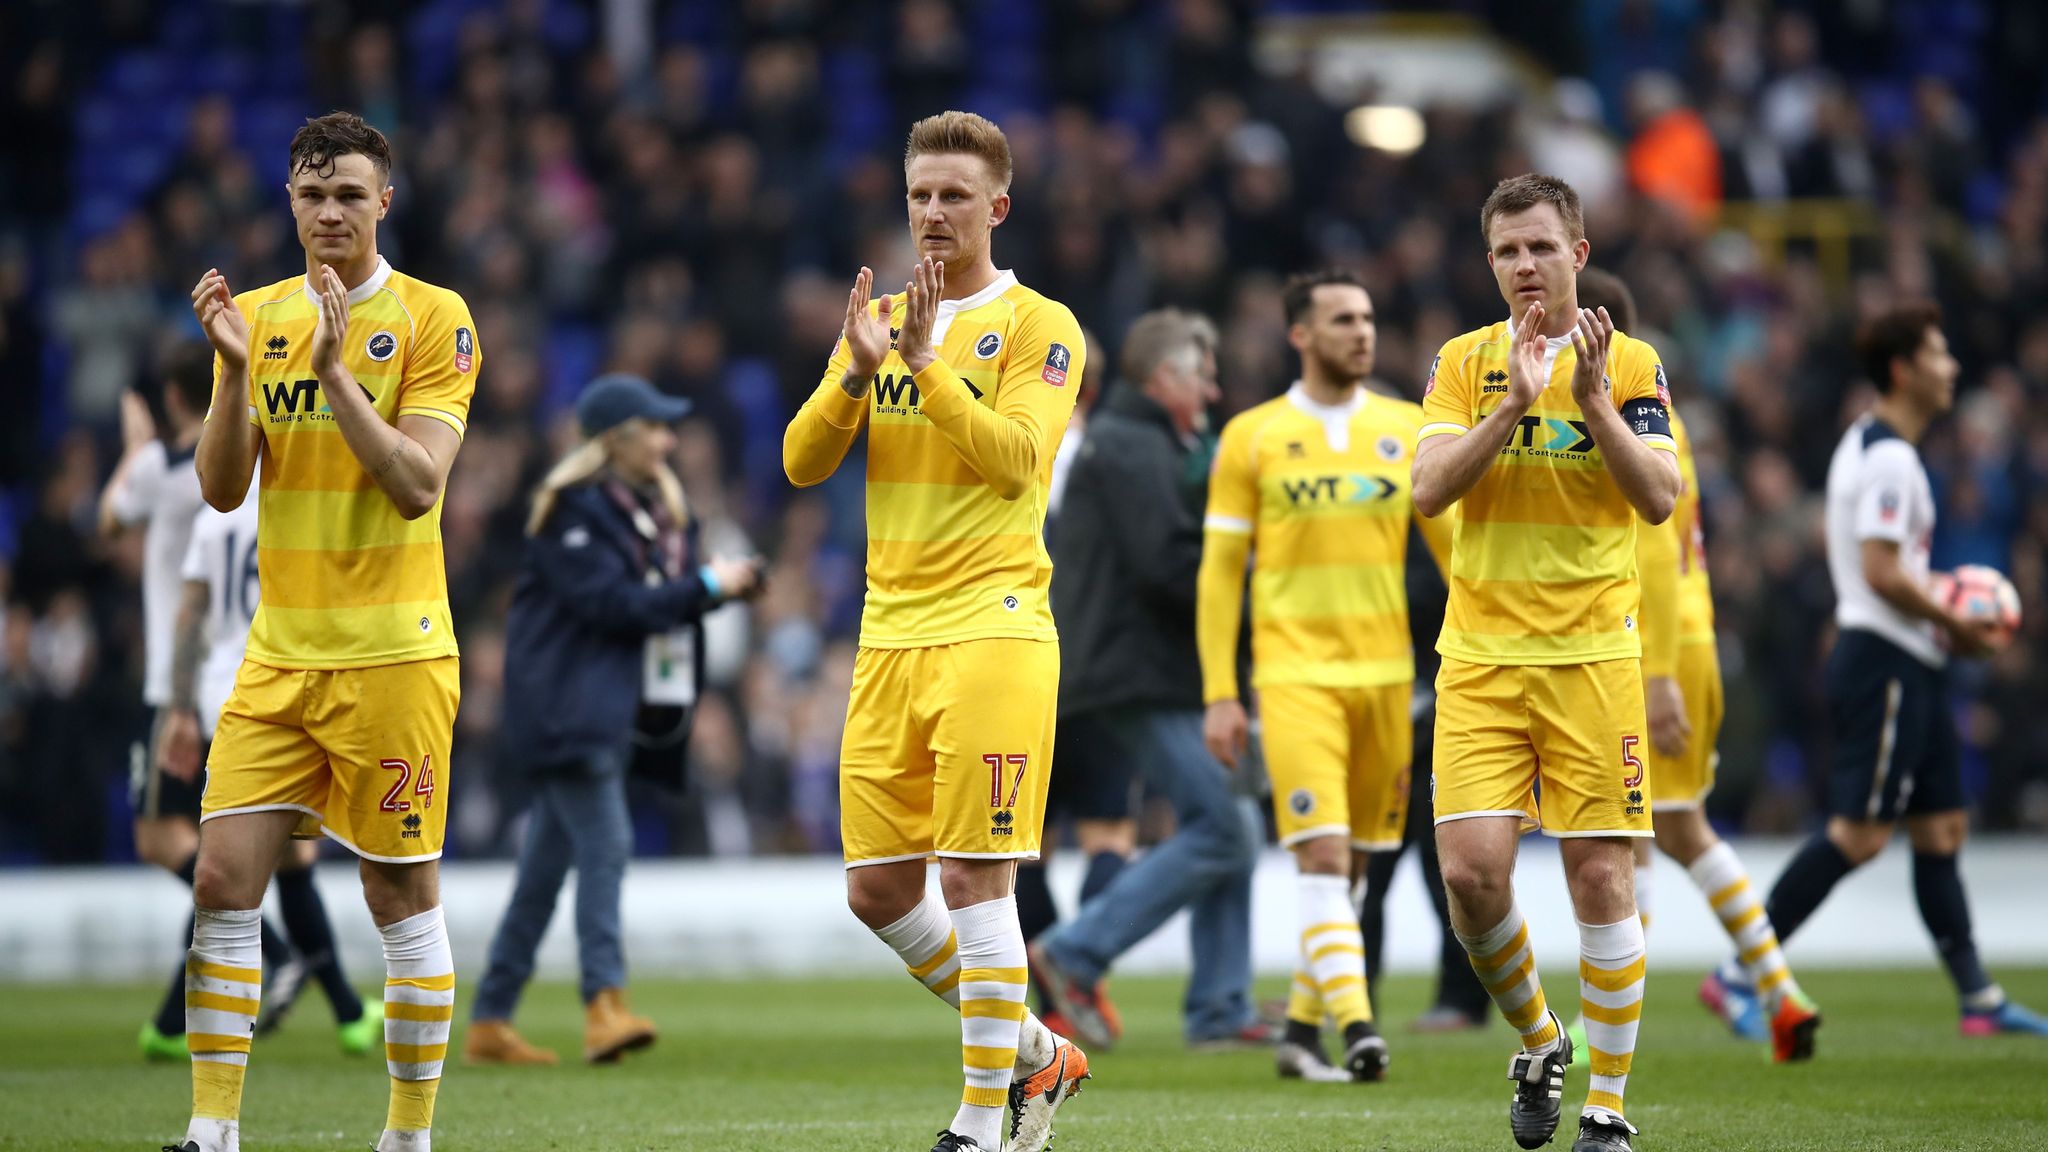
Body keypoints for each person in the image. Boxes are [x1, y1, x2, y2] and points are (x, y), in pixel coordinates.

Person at [169, 111, 479, 1152]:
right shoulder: (256, 318)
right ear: (289, 204)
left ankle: (407, 1135)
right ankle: (212, 1133)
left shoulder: (435, 319)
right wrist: (228, 371)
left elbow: (416, 485)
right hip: (280, 655)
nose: (330, 211)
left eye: (350, 193)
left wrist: (338, 373)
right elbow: (218, 492)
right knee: (219, 877)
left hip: (395, 656)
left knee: (396, 892)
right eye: (312, 194)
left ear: (383, 202)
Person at [782, 110, 1091, 1152]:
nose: (932, 212)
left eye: (954, 195)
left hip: (994, 625)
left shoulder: (1042, 325)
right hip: (888, 633)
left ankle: (975, 1121)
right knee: (878, 890)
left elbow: (1014, 459)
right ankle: (1037, 1059)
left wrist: (923, 365)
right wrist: (865, 369)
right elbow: (799, 460)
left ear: (996, 207)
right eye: (919, 194)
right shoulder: (873, 320)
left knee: (972, 878)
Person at [1411, 174, 1681, 1152]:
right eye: (1504, 252)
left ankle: (1605, 1113)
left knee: (1600, 878)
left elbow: (1656, 497)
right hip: (1479, 658)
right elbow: (1428, 490)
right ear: (1488, 263)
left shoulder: (1635, 362)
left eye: (1538, 247)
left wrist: (1592, 402)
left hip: (1589, 659)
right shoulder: (1461, 362)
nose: (1522, 266)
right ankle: (1537, 1039)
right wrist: (1510, 406)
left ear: (1577, 249)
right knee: (1471, 878)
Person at [1750, 301, 2048, 1038]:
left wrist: (1940, 620)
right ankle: (1742, 970)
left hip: (1910, 656)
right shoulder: (1888, 457)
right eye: (1940, 355)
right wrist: (1955, 613)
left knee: (1942, 828)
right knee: (1860, 833)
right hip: (1884, 655)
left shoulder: (1870, 444)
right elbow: (1883, 571)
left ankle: (1977, 998)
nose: (1952, 369)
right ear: (1904, 369)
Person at [1197, 269, 1453, 1084]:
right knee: (1321, 855)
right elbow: (1218, 574)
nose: (1362, 332)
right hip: (1294, 674)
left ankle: (1301, 1032)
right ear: (1300, 335)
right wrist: (1220, 691)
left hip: (1388, 681)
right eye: (1342, 319)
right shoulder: (1254, 436)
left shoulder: (1409, 428)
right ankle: (1359, 1026)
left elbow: (1457, 561)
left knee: (1352, 868)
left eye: (1369, 318)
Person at [465, 374, 763, 1066]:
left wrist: (714, 588)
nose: (669, 440)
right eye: (656, 427)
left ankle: (490, 1019)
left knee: (545, 870)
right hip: (566, 713)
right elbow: (614, 606)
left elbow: (646, 603)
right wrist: (710, 586)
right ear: (618, 439)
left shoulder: (638, 512)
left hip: (597, 709)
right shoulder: (573, 511)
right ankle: (604, 1004)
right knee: (607, 844)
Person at [1562, 268, 1820, 1063]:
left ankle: (1606, 1023)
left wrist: (1661, 675)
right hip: (1689, 645)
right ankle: (1774, 988)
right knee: (1673, 830)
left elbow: (1653, 558)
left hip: (1652, 652)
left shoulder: (1619, 432)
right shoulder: (1662, 427)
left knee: (1627, 838)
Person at [1029, 308, 1273, 1052]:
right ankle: (1074, 953)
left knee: (1233, 822)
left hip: (1168, 672)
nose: (1214, 388)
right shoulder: (1132, 447)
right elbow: (1170, 567)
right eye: (1202, 374)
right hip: (1138, 673)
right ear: (1164, 379)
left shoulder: (1153, 441)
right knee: (1228, 829)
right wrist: (1262, 577)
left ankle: (1221, 1008)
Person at [98, 346, 294, 1063]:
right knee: (258, 849)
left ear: (177, 400)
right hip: (263, 672)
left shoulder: (168, 472)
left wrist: (135, 445)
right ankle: (313, 988)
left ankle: (274, 949)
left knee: (164, 838)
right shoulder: (258, 483)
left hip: (185, 684)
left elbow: (109, 521)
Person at [156, 469, 383, 1057]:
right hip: (284, 678)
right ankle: (333, 1004)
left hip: (223, 696)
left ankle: (338, 1006)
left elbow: (190, 618)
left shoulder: (215, 518)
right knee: (262, 865)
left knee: (236, 863)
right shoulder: (301, 504)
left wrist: (180, 708)